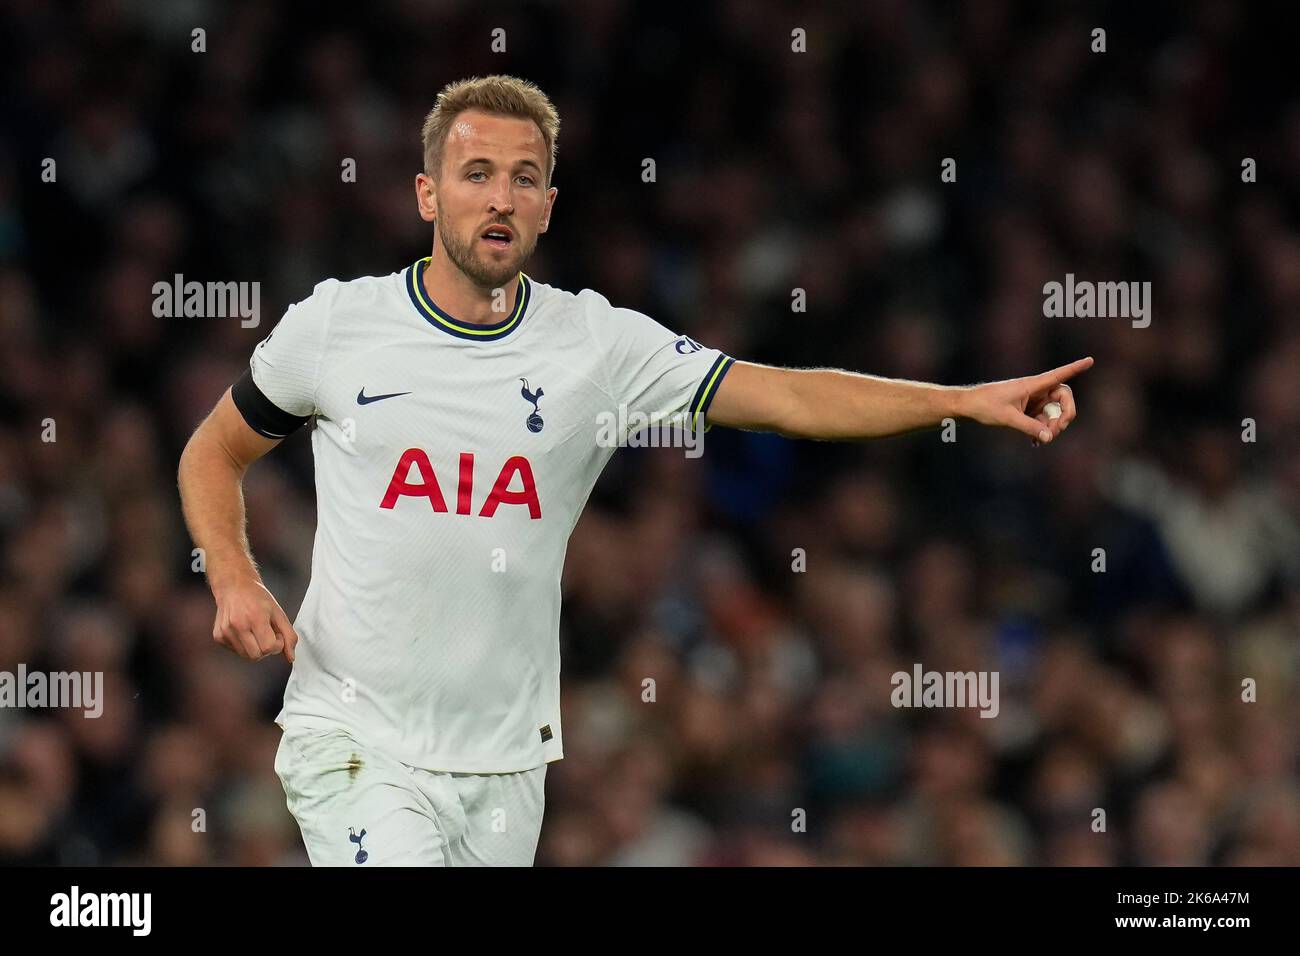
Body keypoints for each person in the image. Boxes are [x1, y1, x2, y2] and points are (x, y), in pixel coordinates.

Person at [177, 74, 1092, 866]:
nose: (501, 197)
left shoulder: (597, 346)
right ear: (427, 194)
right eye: (477, 174)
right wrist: (234, 577)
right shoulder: (339, 326)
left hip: (503, 763)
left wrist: (960, 400)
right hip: (352, 735)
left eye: (524, 179)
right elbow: (213, 452)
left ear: (548, 204)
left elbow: (785, 397)